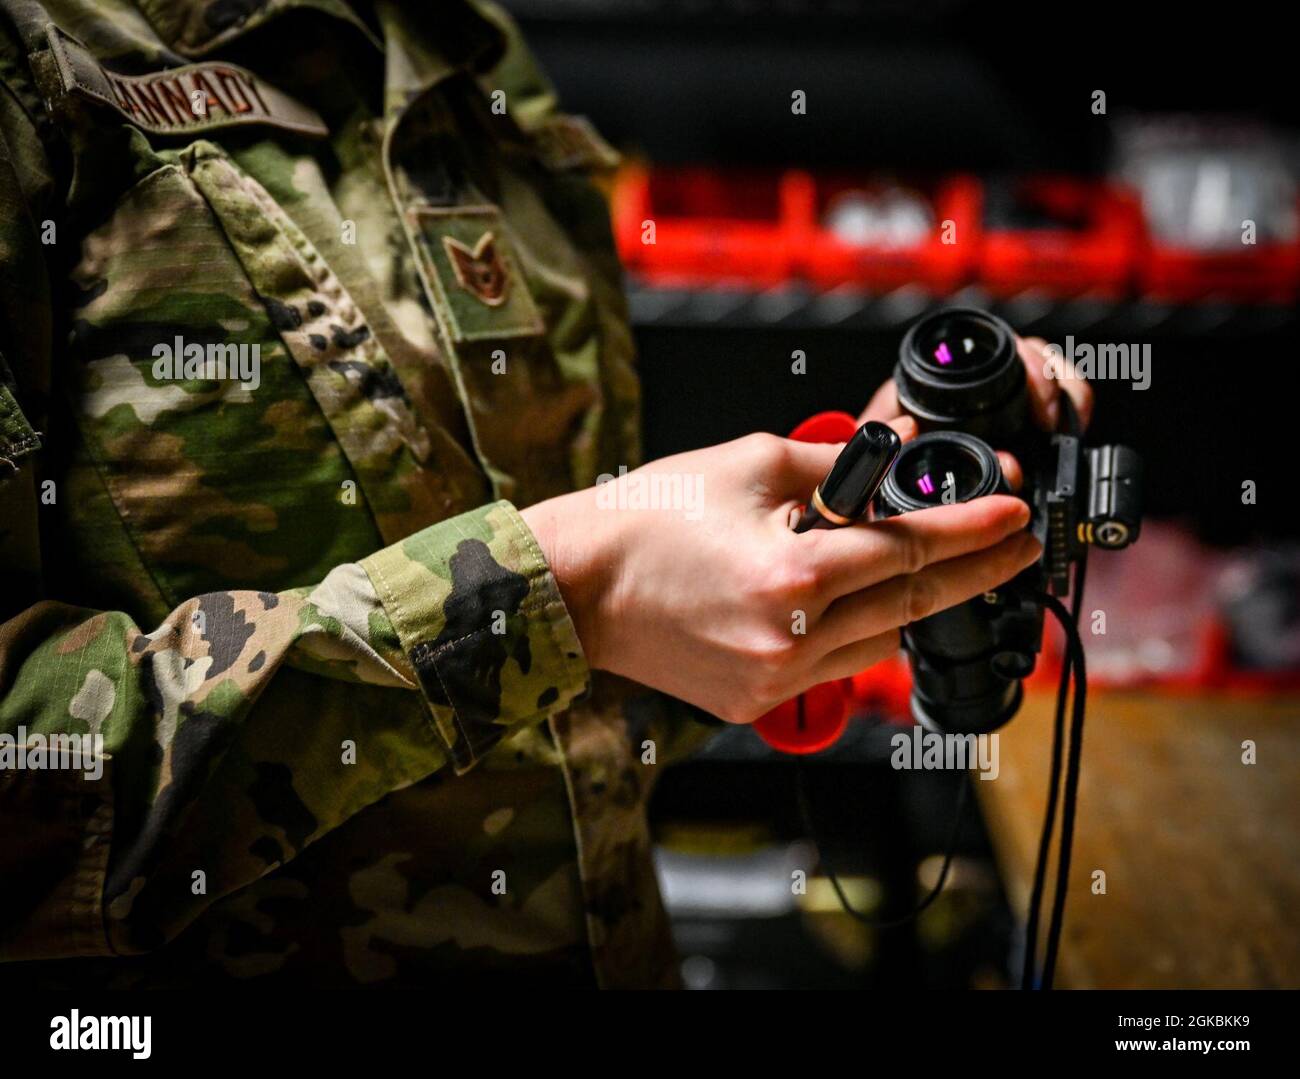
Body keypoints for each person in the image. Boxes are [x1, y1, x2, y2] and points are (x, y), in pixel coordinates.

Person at [0, 0, 1090, 988]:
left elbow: (566, 678)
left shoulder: (453, 44)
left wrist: (821, 543)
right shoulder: (30, 64)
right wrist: (564, 592)